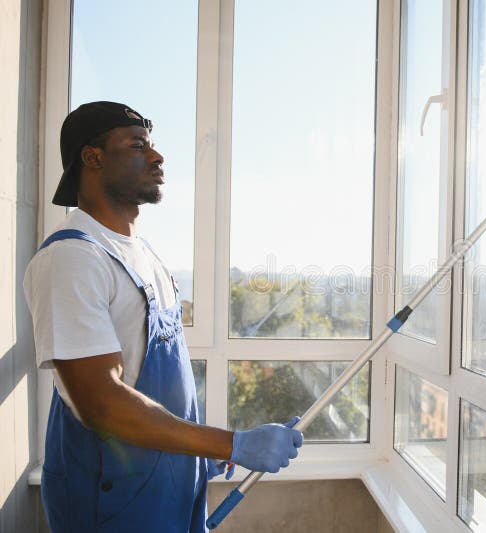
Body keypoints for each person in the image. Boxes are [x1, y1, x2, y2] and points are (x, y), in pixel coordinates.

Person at [24, 101, 303, 532]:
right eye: (138, 146)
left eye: (152, 146)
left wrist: (200, 454)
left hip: (169, 493)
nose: (157, 157)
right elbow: (102, 405)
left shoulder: (144, 253)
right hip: (112, 506)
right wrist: (232, 442)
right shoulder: (72, 258)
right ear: (92, 157)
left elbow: (161, 378)